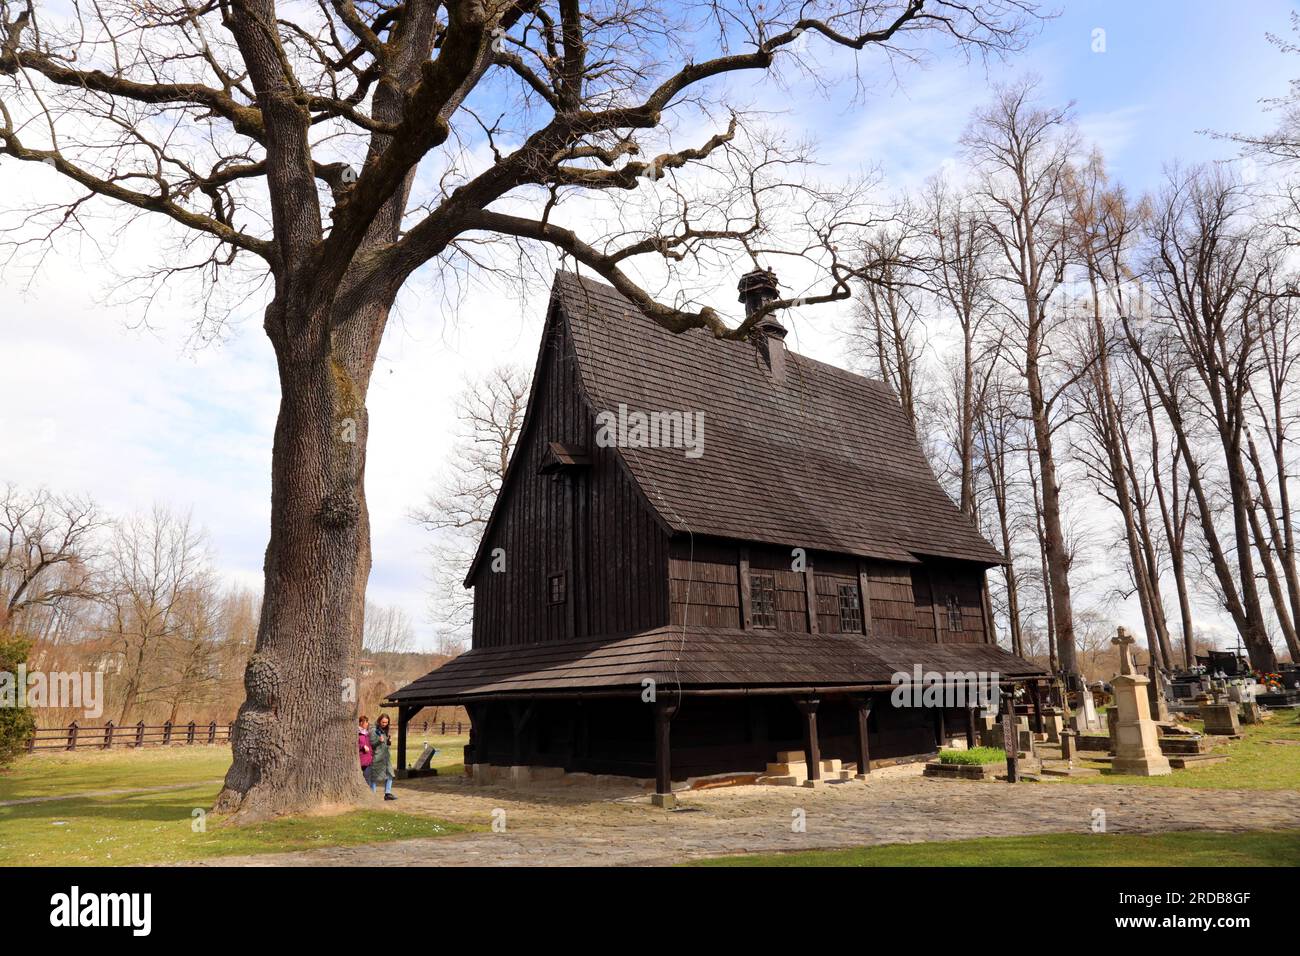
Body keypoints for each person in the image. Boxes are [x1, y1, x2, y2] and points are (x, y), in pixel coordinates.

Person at [369, 713, 396, 800]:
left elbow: (385, 744)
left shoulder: (385, 730)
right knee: (374, 776)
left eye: (386, 722)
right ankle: (372, 795)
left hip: (386, 757)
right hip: (377, 756)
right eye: (383, 722)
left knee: (390, 774)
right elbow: (372, 744)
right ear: (379, 720)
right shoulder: (374, 730)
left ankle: (387, 793)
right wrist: (379, 741)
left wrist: (389, 742)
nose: (384, 724)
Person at [358, 715, 373, 785]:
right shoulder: (357, 733)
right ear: (361, 723)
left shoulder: (367, 733)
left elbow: (370, 745)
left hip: (368, 759)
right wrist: (362, 746)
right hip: (361, 759)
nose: (367, 724)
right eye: (366, 722)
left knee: (368, 778)